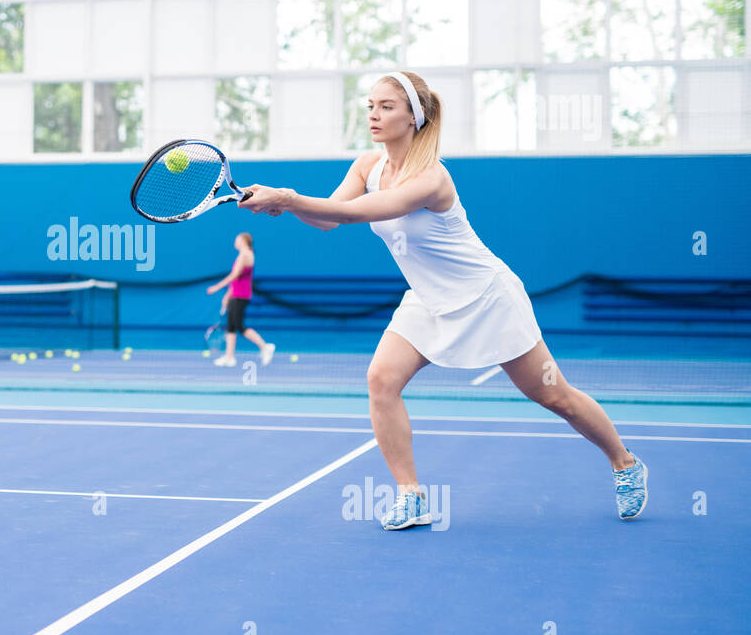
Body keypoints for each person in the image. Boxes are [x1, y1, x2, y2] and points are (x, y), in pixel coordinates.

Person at [238, 70, 647, 529]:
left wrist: (290, 197)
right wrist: (286, 206)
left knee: (555, 396)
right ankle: (411, 496)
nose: (374, 114)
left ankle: (624, 462)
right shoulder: (365, 167)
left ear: (414, 116)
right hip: (428, 300)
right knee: (381, 380)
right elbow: (328, 220)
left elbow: (354, 214)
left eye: (387, 106)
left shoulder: (431, 178)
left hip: (487, 298)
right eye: (371, 104)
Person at [206, 232, 276, 368]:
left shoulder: (245, 255)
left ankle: (265, 346)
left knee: (239, 326)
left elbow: (234, 275)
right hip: (236, 294)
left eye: (237, 239)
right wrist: (227, 296)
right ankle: (229, 357)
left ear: (243, 241)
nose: (235, 242)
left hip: (241, 295)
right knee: (231, 327)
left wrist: (216, 287)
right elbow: (238, 279)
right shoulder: (243, 255)